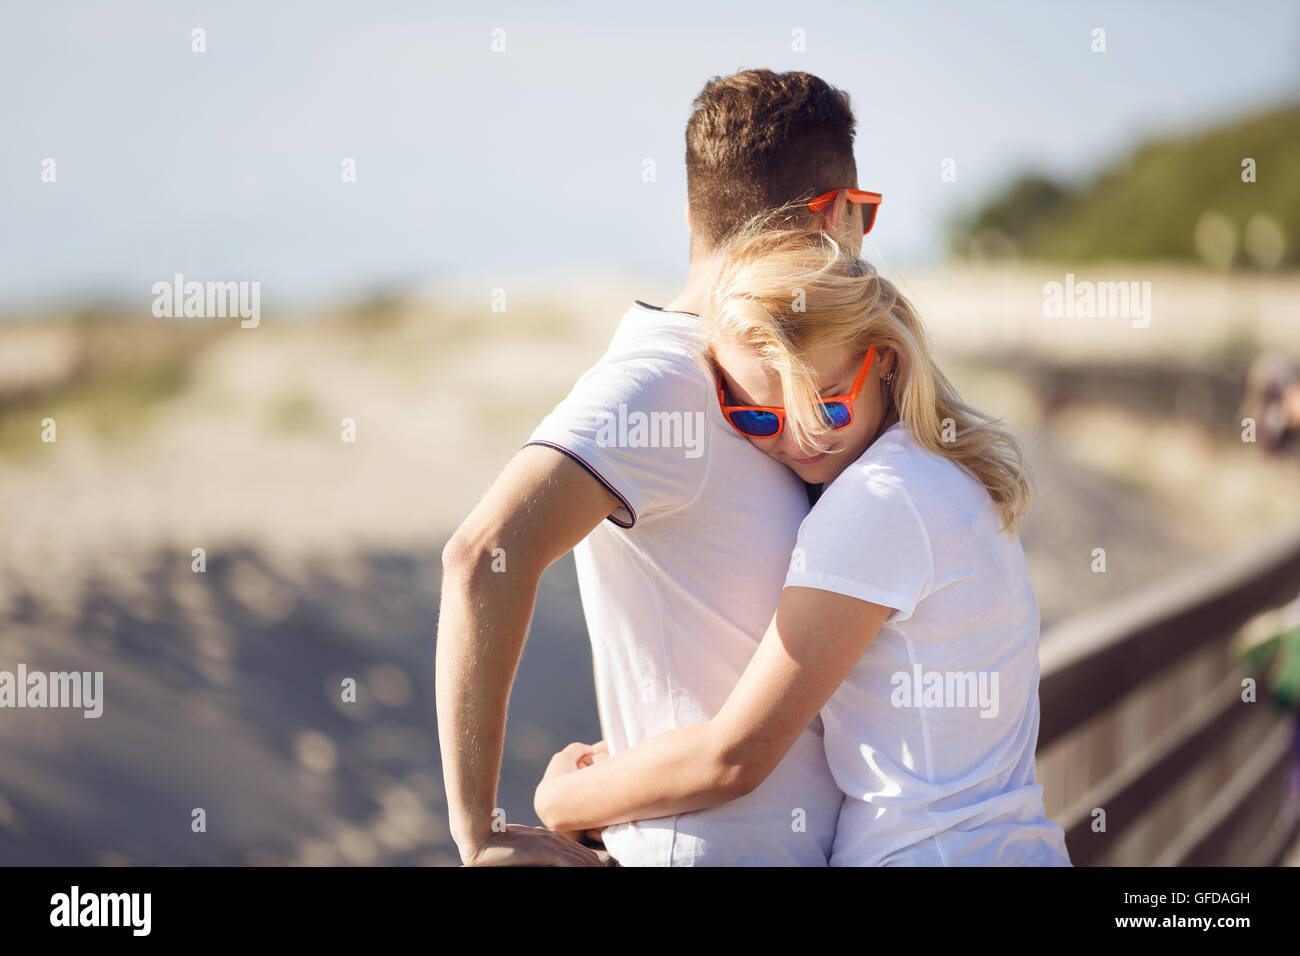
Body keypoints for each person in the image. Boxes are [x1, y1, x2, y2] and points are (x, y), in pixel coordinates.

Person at [436, 69, 884, 866]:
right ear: (830, 218)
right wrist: (481, 836)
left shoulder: (749, 373)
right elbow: (481, 555)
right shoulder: (662, 380)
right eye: (866, 216)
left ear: (692, 217)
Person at [534, 219, 1072, 866]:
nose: (801, 440)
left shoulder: (877, 502)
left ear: (888, 359)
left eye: (828, 406)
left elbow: (736, 758)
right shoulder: (944, 471)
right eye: (757, 416)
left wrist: (562, 802)